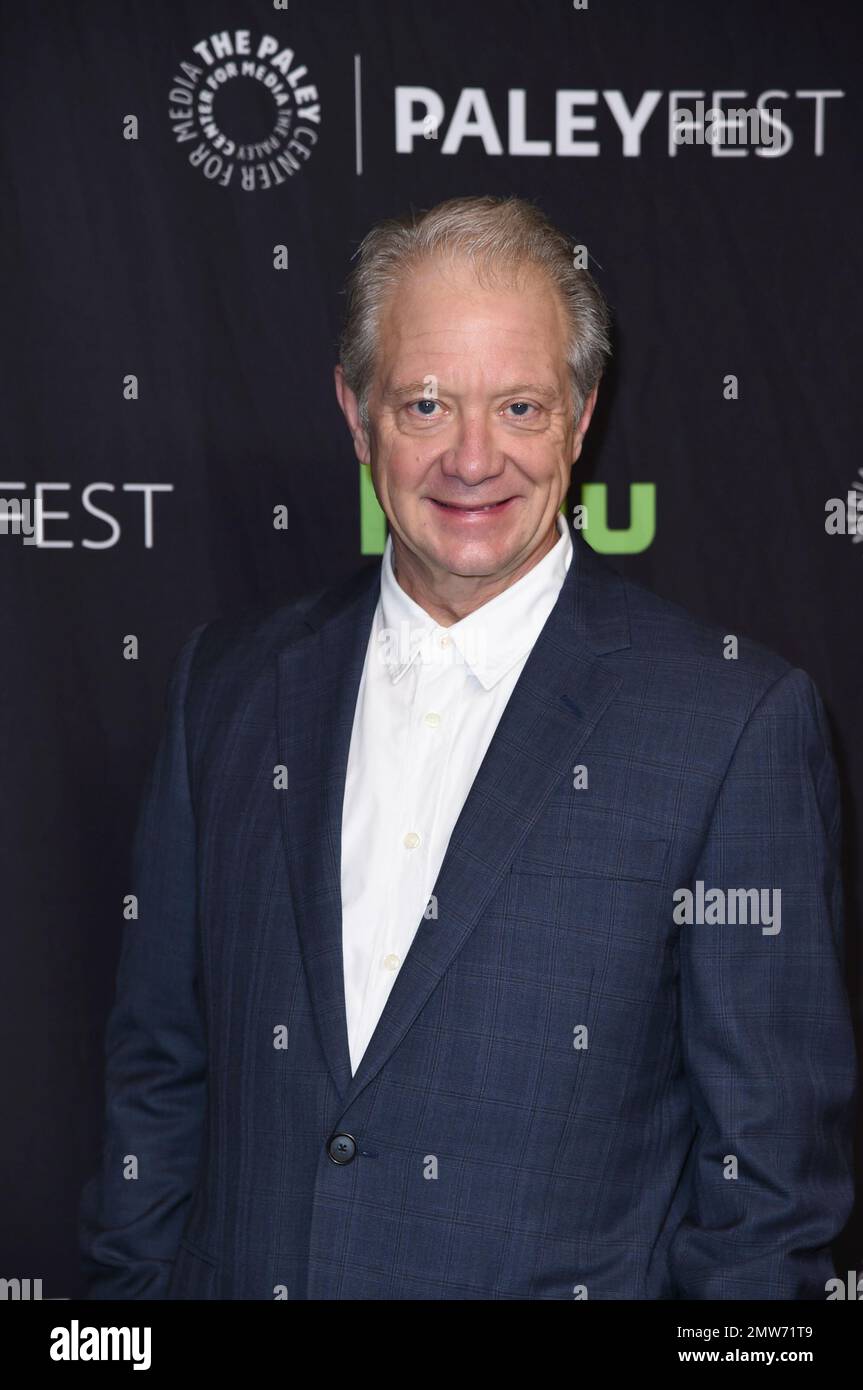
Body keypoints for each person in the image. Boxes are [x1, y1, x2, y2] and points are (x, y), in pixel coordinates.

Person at [79, 194, 856, 1299]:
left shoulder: (730, 724)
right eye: (426, 403)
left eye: (522, 406)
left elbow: (766, 1205)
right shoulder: (229, 687)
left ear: (581, 418)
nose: (472, 459)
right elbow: (156, 1079)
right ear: (356, 415)